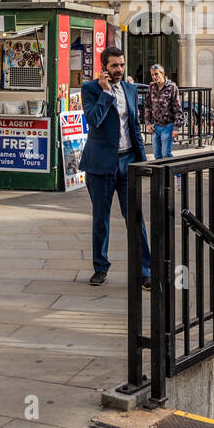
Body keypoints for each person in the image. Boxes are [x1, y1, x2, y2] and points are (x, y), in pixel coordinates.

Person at [78, 47, 150, 288]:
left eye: (121, 65)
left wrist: (142, 161)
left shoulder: (130, 89)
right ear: (104, 68)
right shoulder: (90, 89)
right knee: (101, 219)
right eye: (114, 66)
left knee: (136, 218)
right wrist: (106, 93)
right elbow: (93, 120)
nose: (119, 70)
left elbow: (135, 127)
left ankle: (145, 270)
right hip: (101, 165)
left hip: (128, 161)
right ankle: (100, 267)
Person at [142, 63, 183, 159]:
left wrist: (176, 128)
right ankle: (161, 174)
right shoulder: (151, 87)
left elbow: (177, 108)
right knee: (157, 155)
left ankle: (175, 174)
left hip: (168, 126)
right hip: (156, 127)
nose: (154, 77)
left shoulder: (172, 87)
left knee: (166, 154)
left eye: (156, 74)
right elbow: (147, 106)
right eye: (152, 75)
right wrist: (147, 123)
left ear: (163, 74)